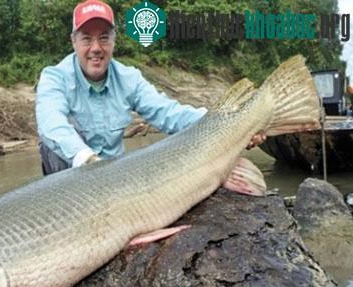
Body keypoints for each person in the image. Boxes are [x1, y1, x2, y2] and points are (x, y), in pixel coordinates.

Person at [35, 0, 265, 175]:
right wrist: (86, 159)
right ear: (73, 42)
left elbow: (169, 114)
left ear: (114, 41)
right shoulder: (55, 77)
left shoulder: (128, 78)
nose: (96, 47)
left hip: (114, 177)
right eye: (87, 39)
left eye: (104, 38)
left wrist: (231, 123)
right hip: (71, 180)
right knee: (50, 141)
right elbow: (50, 123)